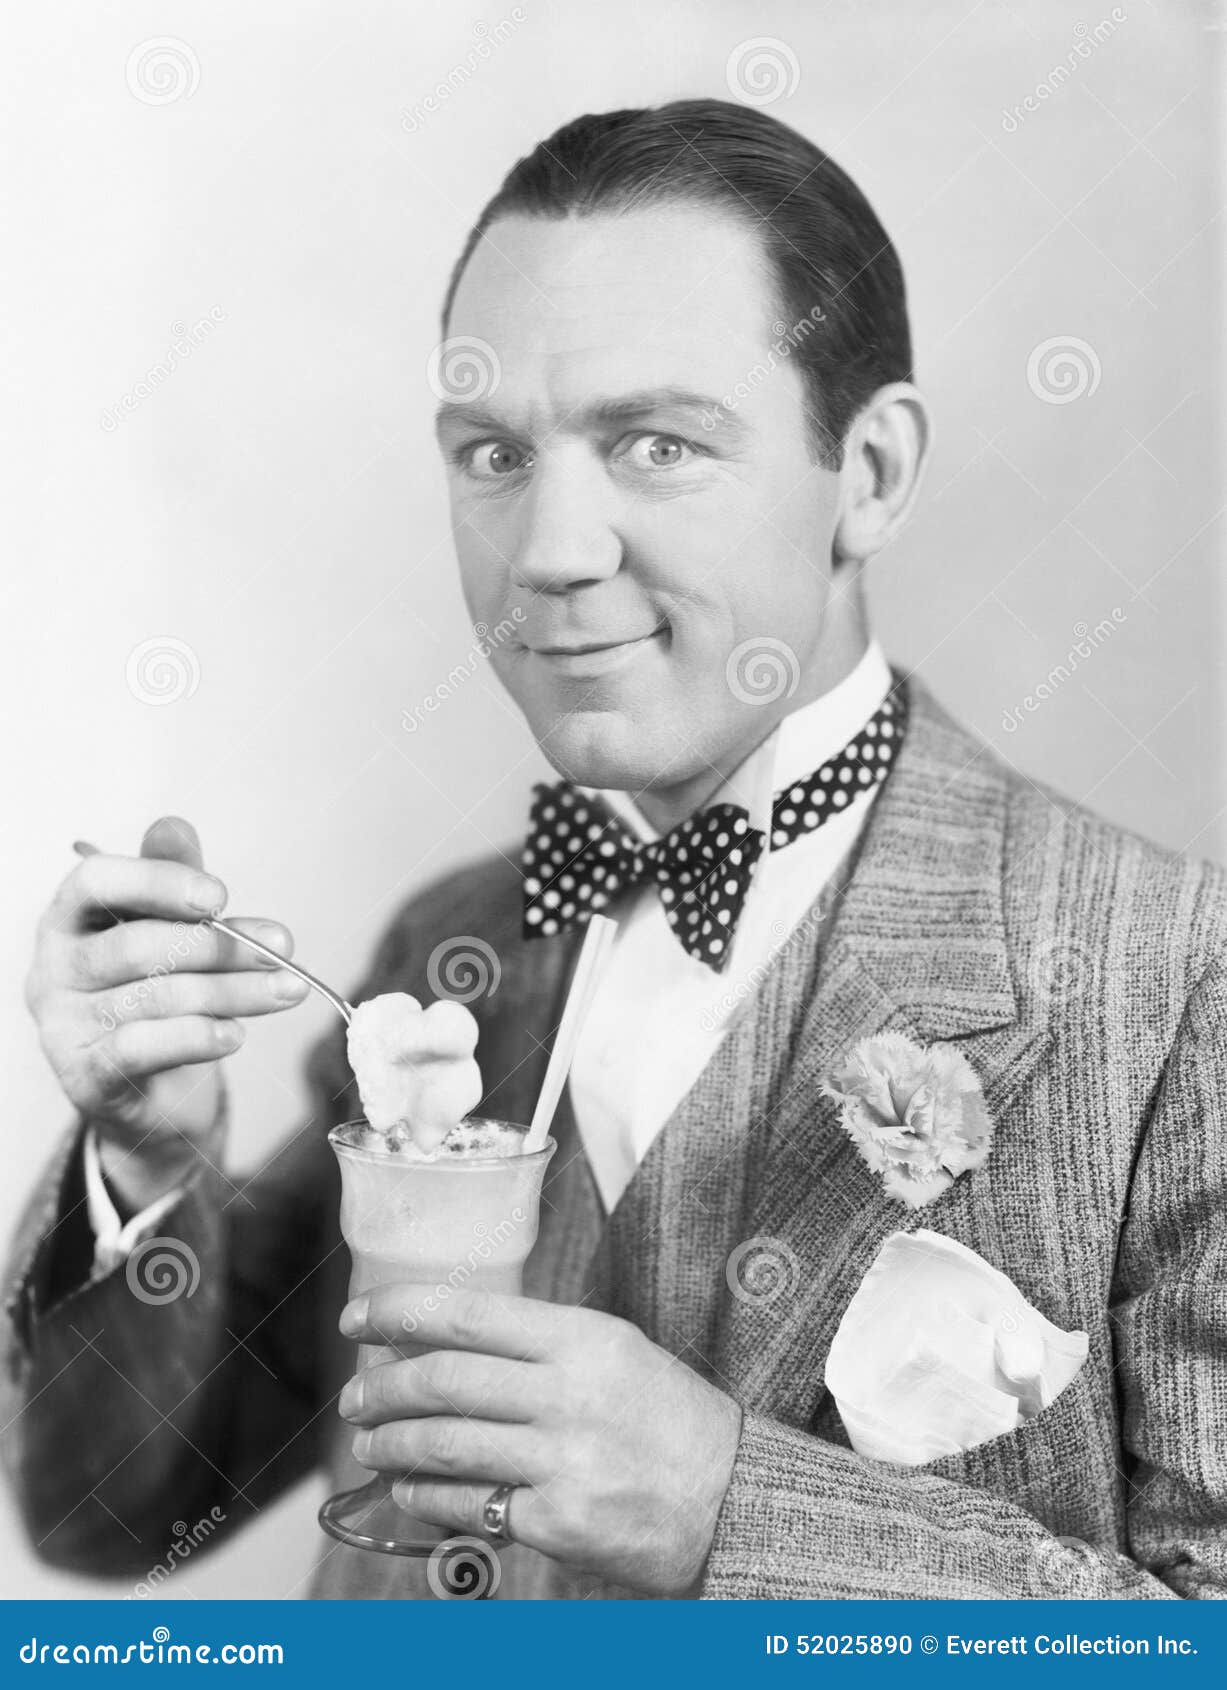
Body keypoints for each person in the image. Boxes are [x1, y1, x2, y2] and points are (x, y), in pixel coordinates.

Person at [4, 99, 1225, 1601]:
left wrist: (733, 1504)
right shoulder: (450, 951)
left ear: (873, 473)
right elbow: (113, 1510)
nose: (550, 552)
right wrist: (145, 1154)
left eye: (656, 442)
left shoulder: (1177, 979)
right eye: (493, 453)